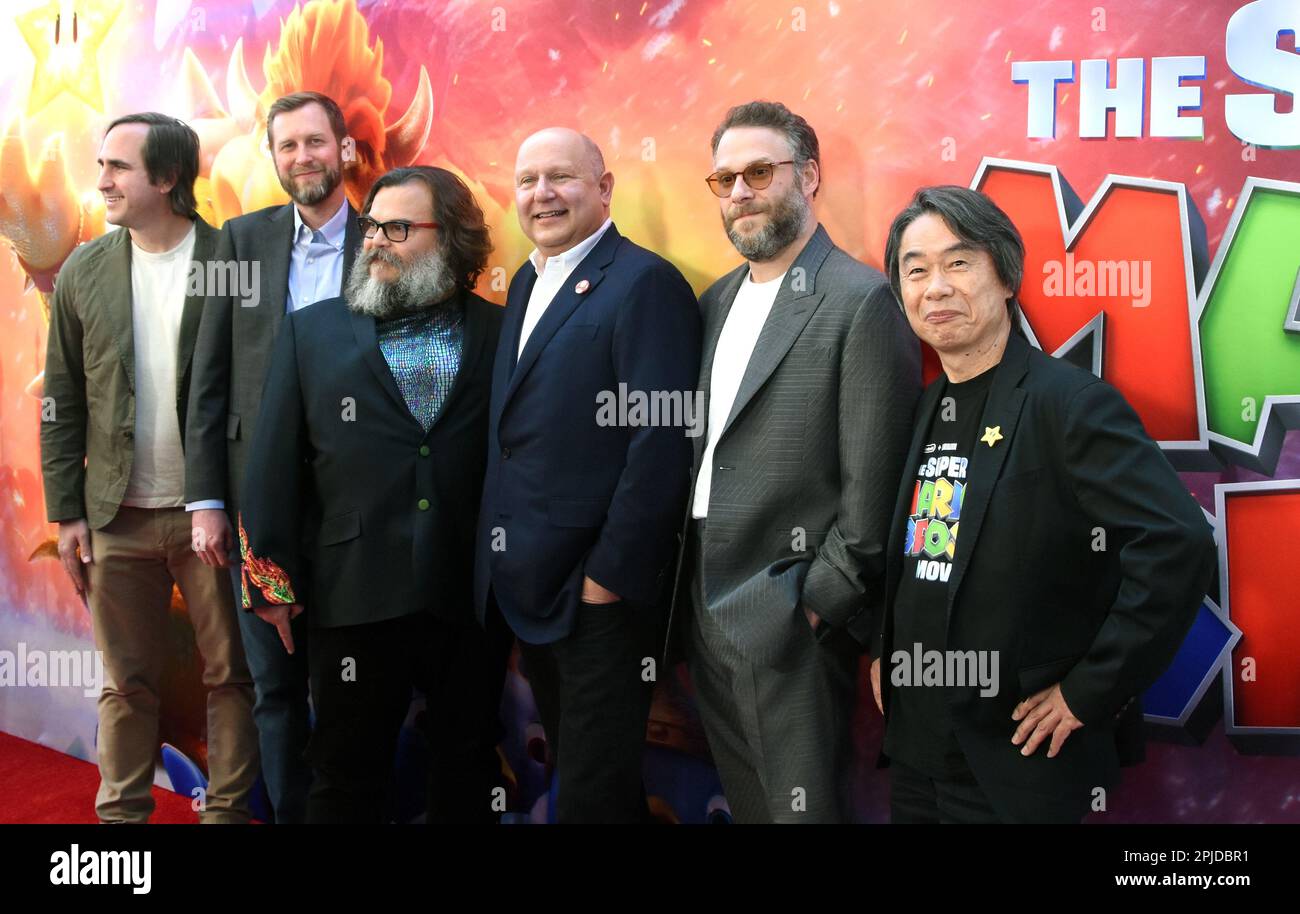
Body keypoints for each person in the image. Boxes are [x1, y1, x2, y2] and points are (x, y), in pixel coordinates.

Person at [873, 184, 1216, 823]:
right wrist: (883, 646)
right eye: (914, 271)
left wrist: (1090, 692)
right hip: (917, 751)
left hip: (1013, 761)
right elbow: (925, 550)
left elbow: (1179, 543)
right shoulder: (926, 407)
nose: (935, 288)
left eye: (957, 263)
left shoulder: (1070, 404)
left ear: (1005, 276)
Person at [667, 100, 920, 823]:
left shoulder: (862, 299)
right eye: (724, 179)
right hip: (702, 607)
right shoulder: (714, 301)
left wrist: (812, 608)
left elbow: (875, 491)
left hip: (788, 614)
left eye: (758, 172)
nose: (740, 192)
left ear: (808, 175)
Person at [238, 166, 509, 823]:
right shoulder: (313, 332)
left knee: (466, 767)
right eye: (371, 228)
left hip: (467, 598)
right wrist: (272, 591)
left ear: (451, 239)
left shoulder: (502, 334)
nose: (376, 242)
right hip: (350, 594)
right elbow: (272, 472)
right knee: (344, 775)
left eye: (398, 227)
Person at [474, 127, 701, 823]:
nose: (541, 194)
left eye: (561, 177)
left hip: (596, 600)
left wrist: (608, 576)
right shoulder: (524, 282)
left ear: (604, 188)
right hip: (530, 591)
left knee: (591, 799)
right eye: (526, 180)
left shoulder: (645, 284)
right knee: (595, 785)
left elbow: (662, 441)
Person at [41, 112, 257, 823]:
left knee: (231, 676)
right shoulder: (83, 268)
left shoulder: (230, 259)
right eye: (101, 164)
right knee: (126, 683)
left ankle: (225, 814)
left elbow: (257, 387)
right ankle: (121, 823)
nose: (100, 181)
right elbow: (63, 397)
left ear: (167, 179)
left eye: (118, 168)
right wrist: (67, 512)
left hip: (213, 515)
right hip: (116, 516)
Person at [184, 91, 361, 823]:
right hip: (258, 508)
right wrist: (207, 502)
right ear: (275, 157)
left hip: (356, 509)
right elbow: (208, 374)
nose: (302, 158)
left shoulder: (389, 234)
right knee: (275, 687)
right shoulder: (237, 240)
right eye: (287, 146)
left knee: (350, 687)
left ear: (344, 149)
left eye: (315, 142)